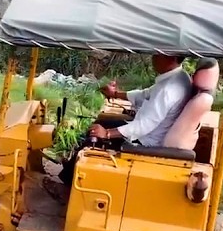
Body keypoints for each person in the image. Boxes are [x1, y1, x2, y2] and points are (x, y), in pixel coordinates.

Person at [56, 54, 192, 186]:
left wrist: (107, 133)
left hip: (145, 142)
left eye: (158, 54)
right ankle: (71, 166)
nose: (153, 57)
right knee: (100, 123)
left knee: (91, 141)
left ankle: (67, 183)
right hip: (147, 132)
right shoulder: (179, 77)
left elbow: (144, 125)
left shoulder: (168, 90)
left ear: (172, 57)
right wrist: (115, 94)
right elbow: (145, 94)